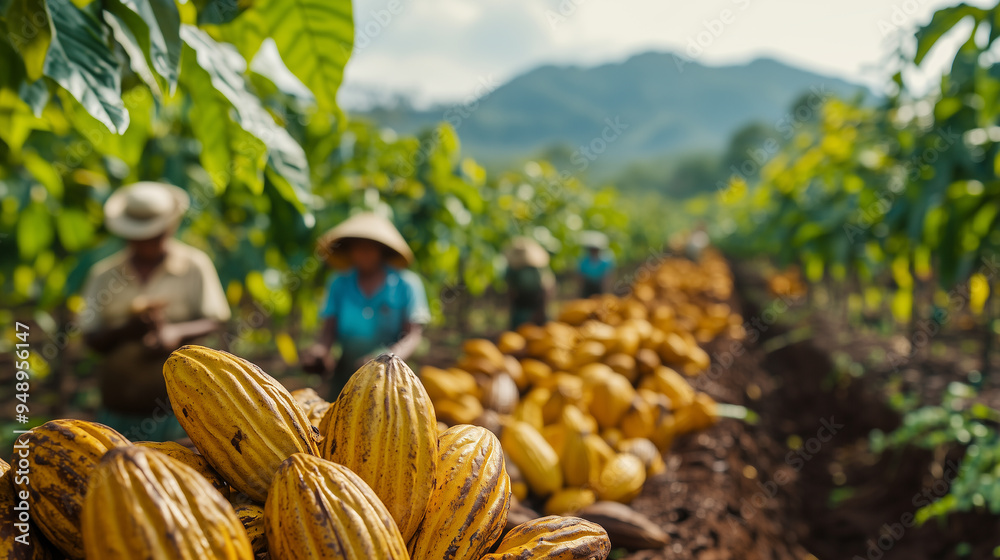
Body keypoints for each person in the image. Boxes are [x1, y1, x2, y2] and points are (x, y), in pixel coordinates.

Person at [79, 182, 230, 441]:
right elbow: (91, 338)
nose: (147, 241)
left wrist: (176, 332)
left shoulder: (194, 266)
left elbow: (215, 319)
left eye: (155, 234)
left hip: (182, 414)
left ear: (170, 227)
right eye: (140, 236)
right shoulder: (104, 276)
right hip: (118, 411)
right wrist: (128, 329)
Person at [302, 213, 430, 399]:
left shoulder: (406, 284)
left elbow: (412, 335)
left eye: (370, 247)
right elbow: (328, 330)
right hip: (346, 376)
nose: (364, 252)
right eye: (358, 247)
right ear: (349, 250)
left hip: (393, 379)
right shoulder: (339, 283)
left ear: (382, 250)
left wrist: (384, 360)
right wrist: (320, 352)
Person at [505, 237, 555, 330]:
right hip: (523, 304)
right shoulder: (514, 270)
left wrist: (541, 310)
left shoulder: (537, 269)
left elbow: (545, 288)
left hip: (534, 303)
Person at [578, 230, 615, 298]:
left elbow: (607, 277)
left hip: (600, 285)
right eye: (592, 249)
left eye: (595, 249)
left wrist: (605, 291)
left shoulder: (605, 261)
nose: (593, 251)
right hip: (588, 285)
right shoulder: (584, 261)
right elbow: (581, 277)